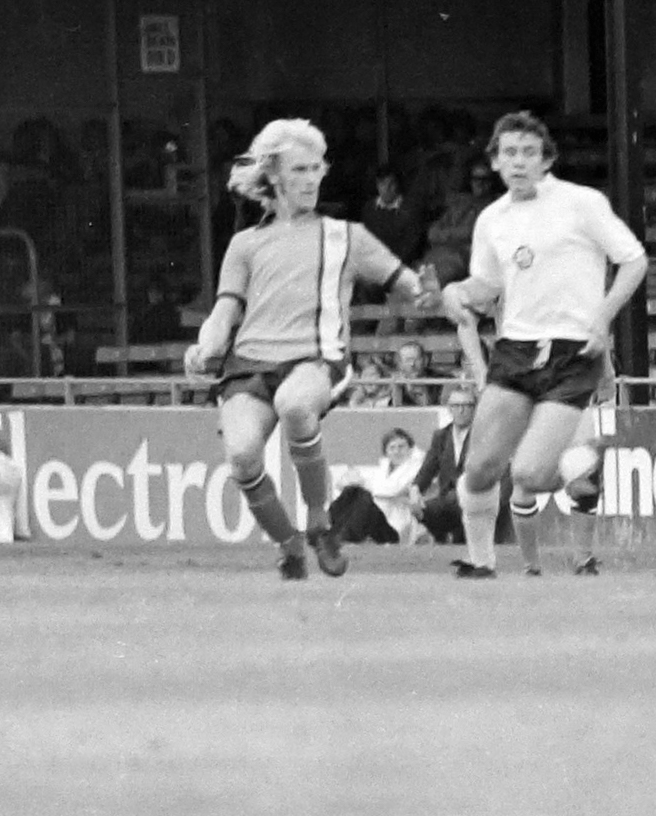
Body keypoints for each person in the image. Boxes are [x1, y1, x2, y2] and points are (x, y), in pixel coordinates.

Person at [184, 118, 439, 581]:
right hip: (250, 364)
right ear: (275, 175)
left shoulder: (346, 236)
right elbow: (224, 312)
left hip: (316, 359)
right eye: (300, 169)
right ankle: (290, 547)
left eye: (317, 168)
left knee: (295, 404)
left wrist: (426, 291)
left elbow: (407, 286)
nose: (311, 178)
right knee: (241, 456)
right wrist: (204, 347)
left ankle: (319, 520)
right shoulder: (245, 244)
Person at [441, 110, 648, 578]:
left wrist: (602, 317)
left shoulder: (581, 203)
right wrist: (457, 293)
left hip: (572, 353)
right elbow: (485, 286)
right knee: (478, 468)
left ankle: (580, 463)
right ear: (494, 161)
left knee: (530, 476)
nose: (518, 162)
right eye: (509, 153)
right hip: (515, 351)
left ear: (546, 159)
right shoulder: (492, 219)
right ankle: (481, 565)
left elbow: (633, 261)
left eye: (528, 153)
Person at [410, 384, 477, 544]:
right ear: (449, 408)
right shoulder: (441, 436)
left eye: (467, 405)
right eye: (456, 406)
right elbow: (428, 468)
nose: (461, 410)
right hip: (445, 499)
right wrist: (415, 488)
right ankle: (441, 540)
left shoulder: (482, 435)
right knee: (423, 509)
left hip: (473, 497)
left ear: (474, 409)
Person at [368, 427, 427, 544]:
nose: (397, 451)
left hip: (403, 514)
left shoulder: (417, 467)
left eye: (401, 447)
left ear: (410, 449)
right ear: (386, 452)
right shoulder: (382, 468)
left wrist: (377, 492)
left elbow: (394, 490)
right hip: (379, 509)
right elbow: (374, 488)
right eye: (392, 448)